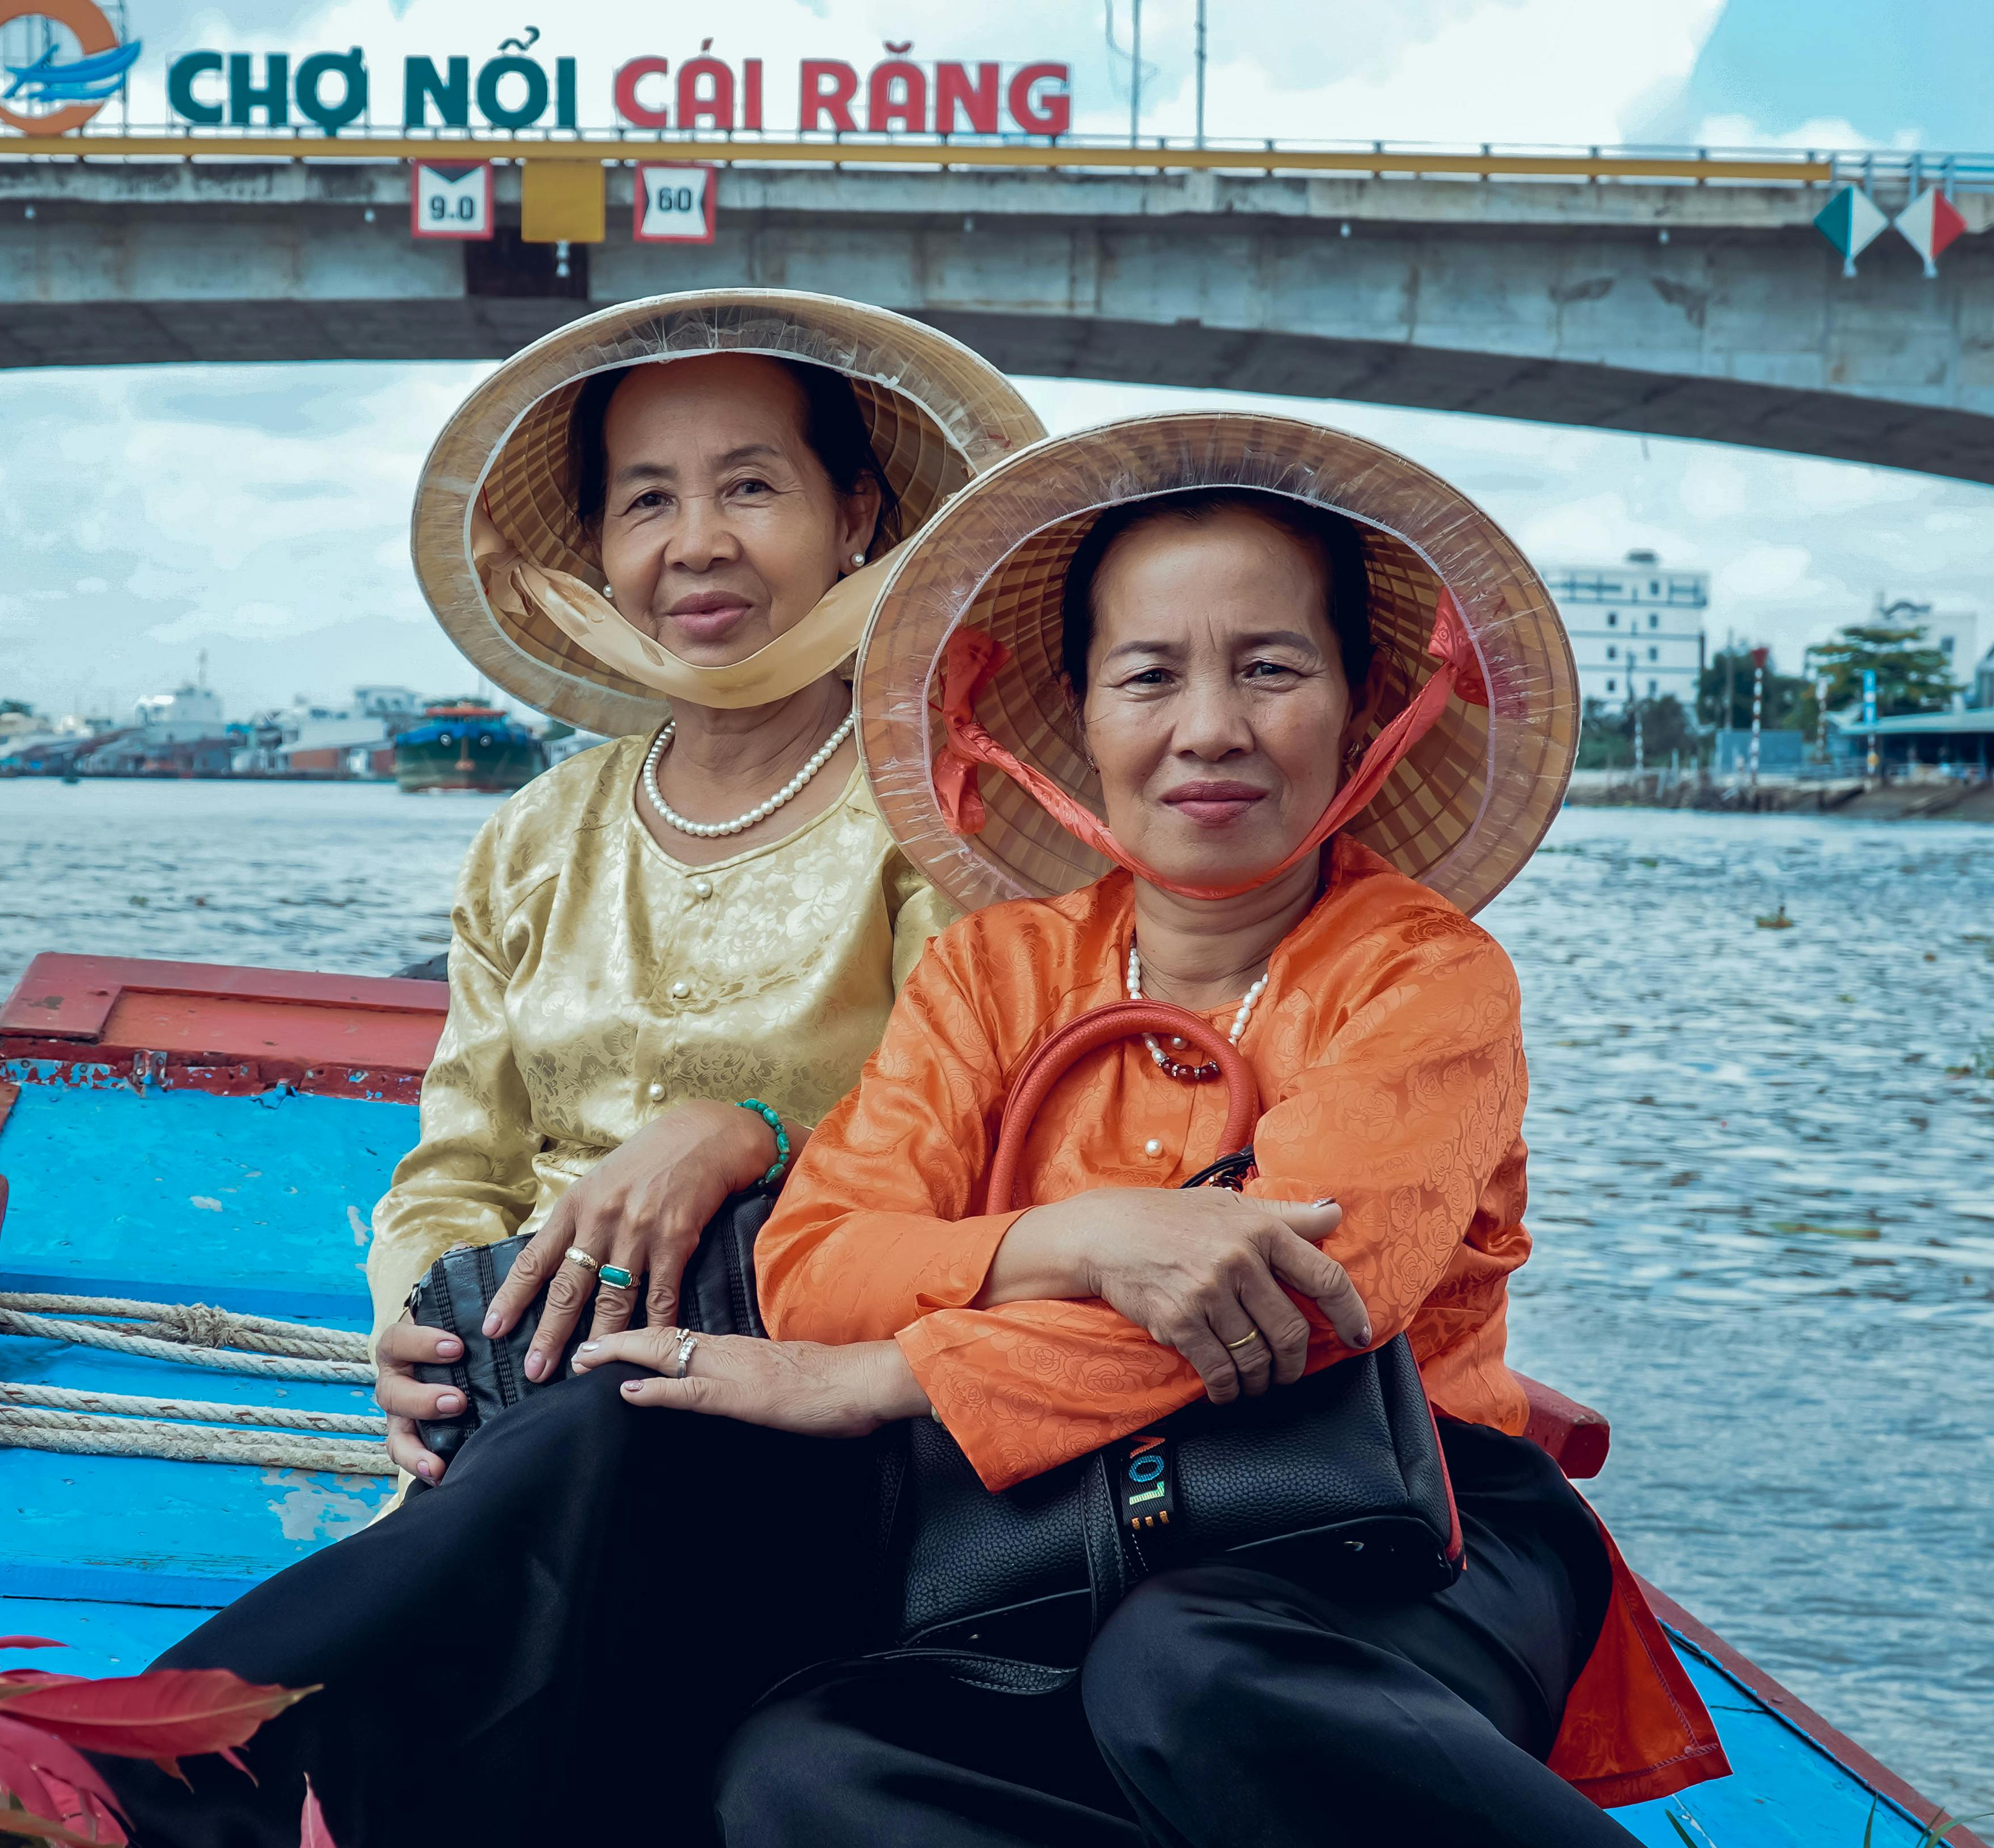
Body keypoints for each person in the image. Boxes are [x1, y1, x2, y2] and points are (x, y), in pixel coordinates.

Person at [577, 411, 1729, 1846]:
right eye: (1150, 674)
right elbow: (818, 1260)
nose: (1209, 727)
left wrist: (883, 1378)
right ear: (1081, 713)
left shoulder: (1426, 972)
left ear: (1364, 705)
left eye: (1268, 667)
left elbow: (1317, 1299)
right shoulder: (990, 971)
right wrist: (1081, 1235)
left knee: (1187, 1665)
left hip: (1403, 1529)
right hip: (1055, 1537)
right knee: (808, 1763)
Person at [93, 291, 1044, 1848]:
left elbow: (992, 1142)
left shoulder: (936, 818)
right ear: (600, 551)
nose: (698, 545)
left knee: (613, 1402)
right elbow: (457, 1163)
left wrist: (745, 1133)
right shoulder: (537, 838)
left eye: (751, 485)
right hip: (519, 1402)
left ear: (853, 513)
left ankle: (160, 1750)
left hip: (807, 1412)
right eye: (646, 501)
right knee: (564, 1402)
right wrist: (404, 1325)